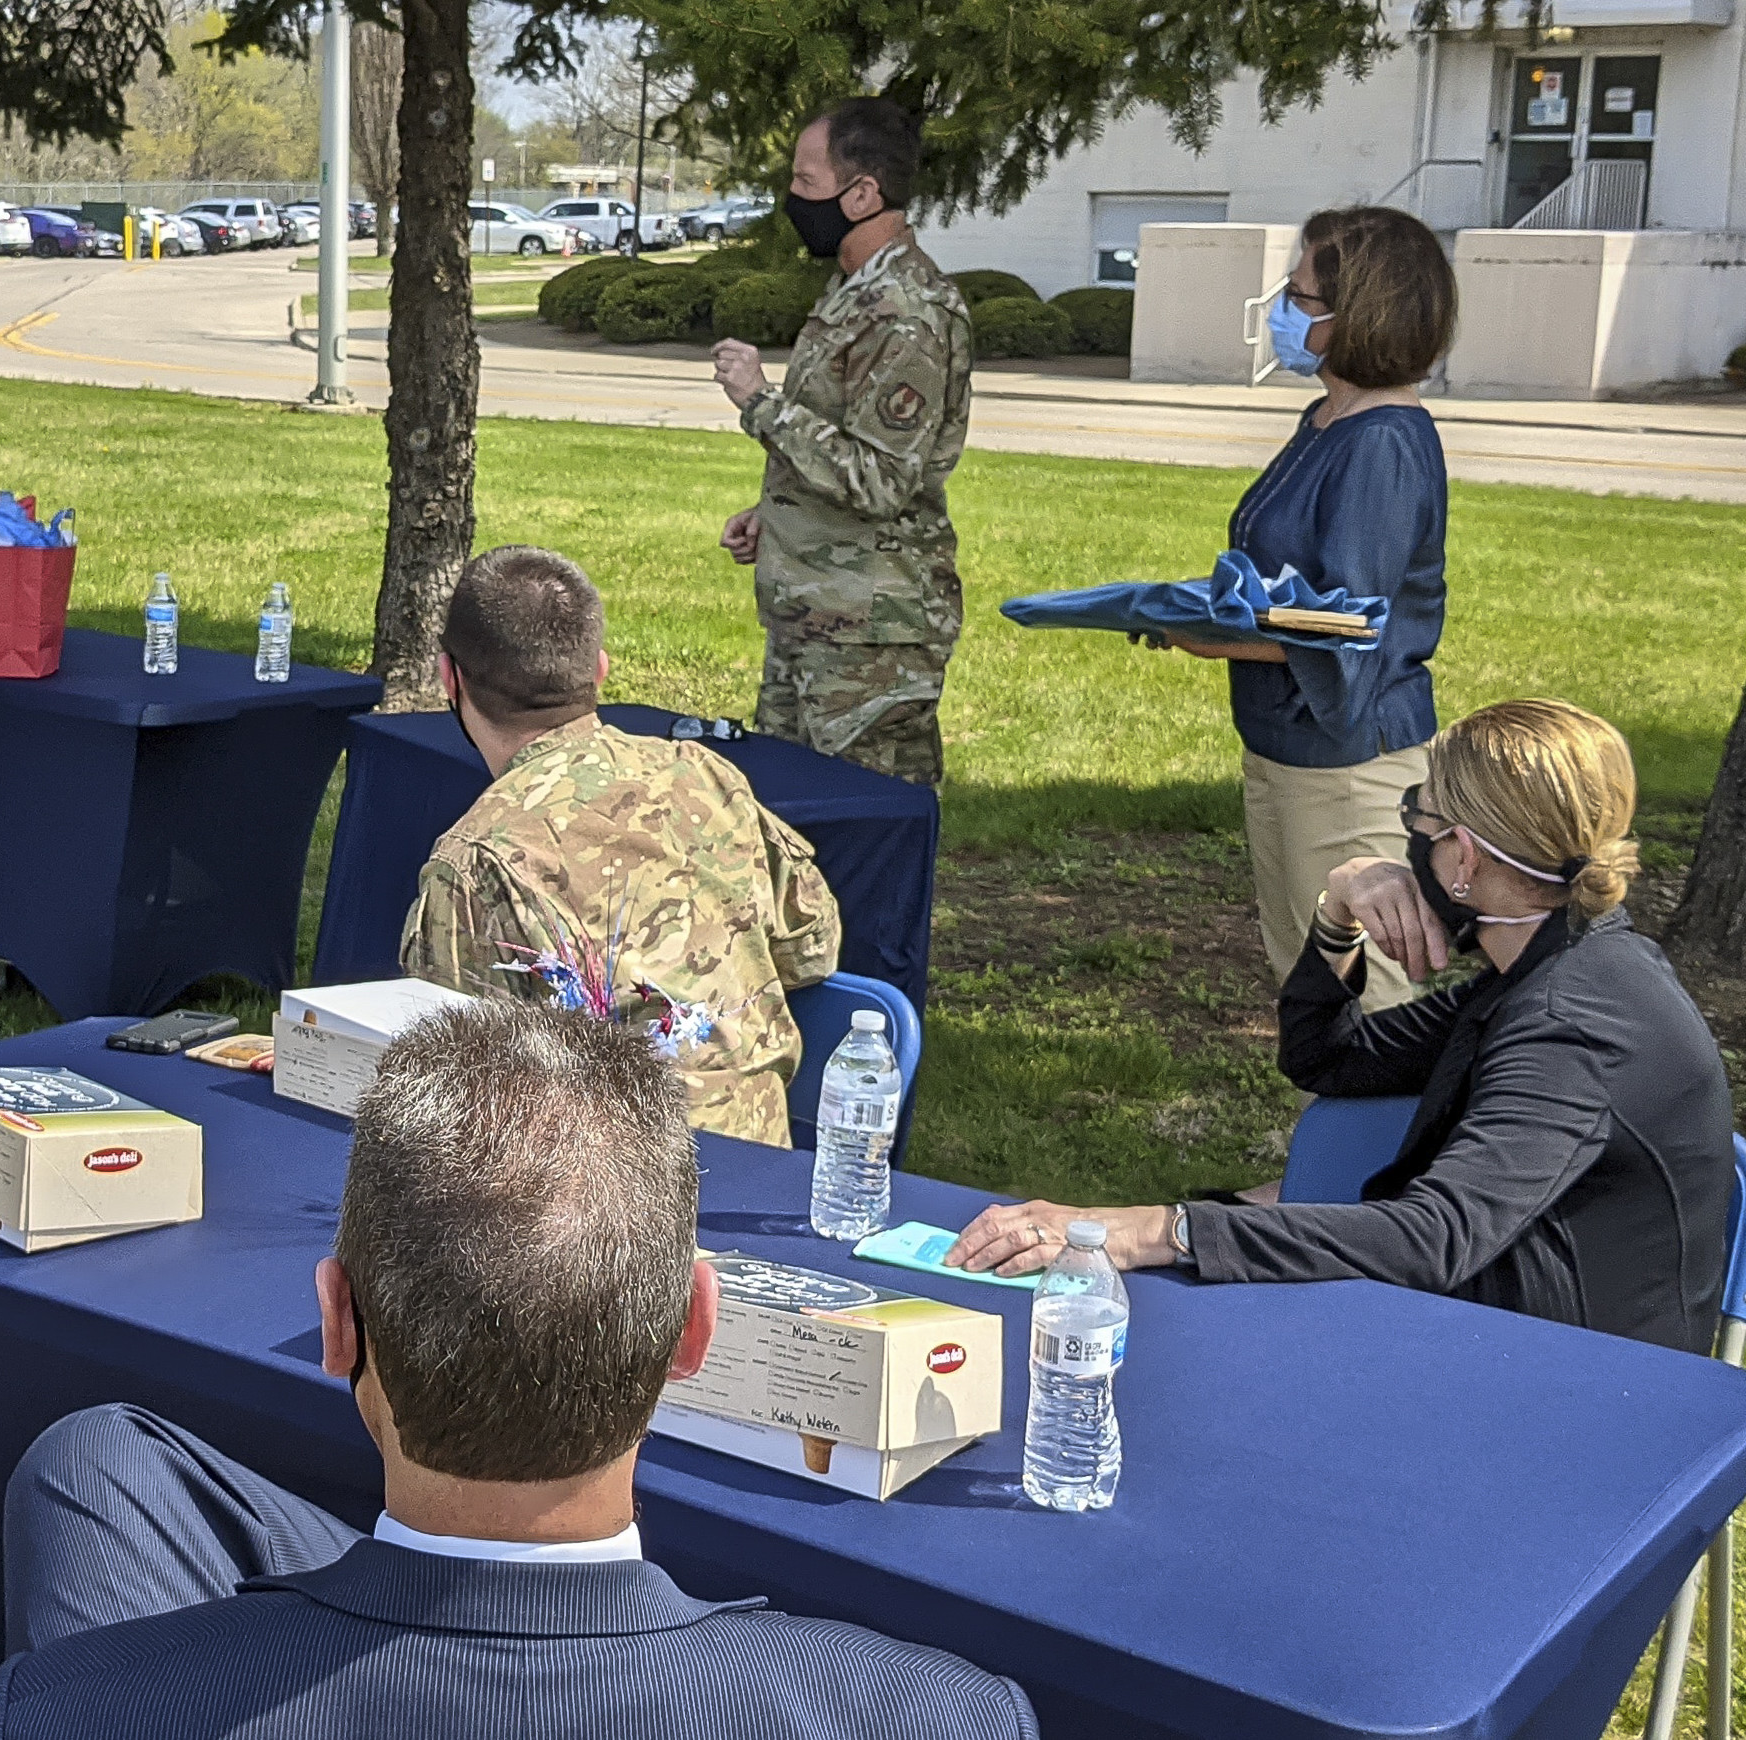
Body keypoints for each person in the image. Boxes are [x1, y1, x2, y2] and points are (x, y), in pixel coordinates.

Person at [0, 1002, 1037, 1739]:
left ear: (337, 1324)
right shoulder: (939, 1720)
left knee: (95, 1463)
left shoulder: (67, 1708)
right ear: (694, 1334)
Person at [947, 700, 1733, 1353]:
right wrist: (1338, 910)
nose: (1409, 840)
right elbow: (1329, 1056)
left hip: (1572, 1401)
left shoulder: (1575, 1021)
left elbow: (1431, 1240)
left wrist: (1159, 1229)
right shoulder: (1555, 968)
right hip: (1491, 1336)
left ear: (1460, 856)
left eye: (1417, 818)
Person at [398, 546, 842, 1145]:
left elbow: (448, 1093)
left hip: (588, 1202)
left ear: (449, 677)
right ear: (600, 669)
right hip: (756, 1161)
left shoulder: (475, 858)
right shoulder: (703, 775)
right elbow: (813, 946)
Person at [1170, 206, 1455, 1010]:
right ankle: (1326, 1134)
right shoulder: (1329, 419)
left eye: (1300, 295)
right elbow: (1289, 583)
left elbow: (1346, 627)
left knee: (1366, 989)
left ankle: (1383, 1141)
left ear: (1357, 315)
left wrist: (1212, 641)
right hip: (1286, 745)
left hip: (1348, 765)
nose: (1283, 311)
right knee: (1304, 971)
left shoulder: (1381, 443)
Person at [713, 96, 972, 786]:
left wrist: (760, 403)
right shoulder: (853, 291)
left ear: (862, 194)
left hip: (870, 638)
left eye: (804, 184)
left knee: (861, 848)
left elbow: (882, 480)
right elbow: (843, 442)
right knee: (794, 838)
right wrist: (778, 516)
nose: (791, 200)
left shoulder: (908, 312)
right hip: (816, 618)